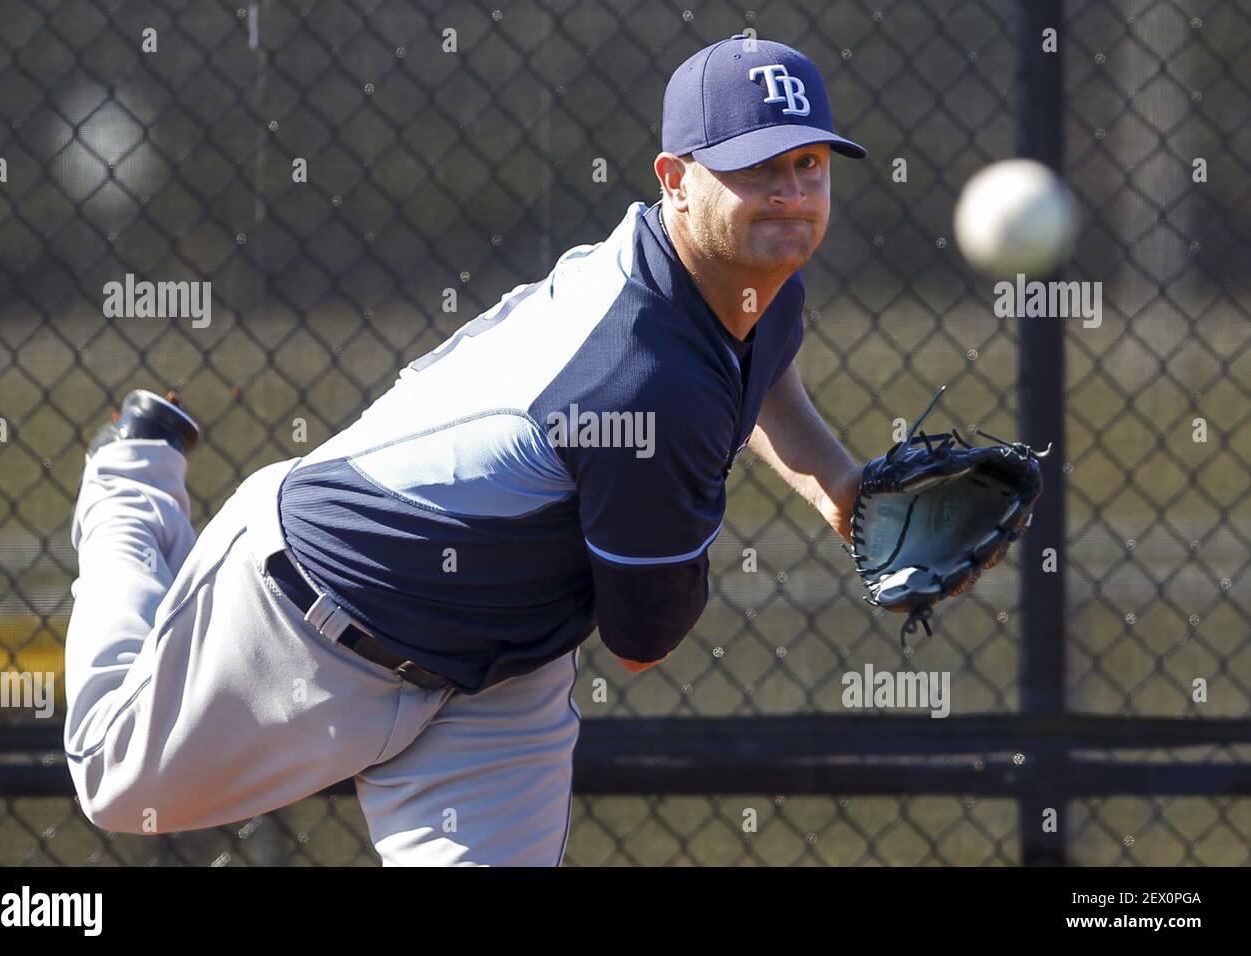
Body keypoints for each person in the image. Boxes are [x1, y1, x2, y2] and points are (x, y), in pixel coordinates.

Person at [64, 33, 867, 865]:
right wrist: (696, 489)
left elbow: (761, 372)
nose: (790, 193)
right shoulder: (641, 380)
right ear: (674, 179)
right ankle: (132, 484)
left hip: (500, 670)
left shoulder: (743, 277)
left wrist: (844, 490)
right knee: (113, 782)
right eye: (756, 168)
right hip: (315, 616)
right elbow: (641, 644)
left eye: (810, 163)